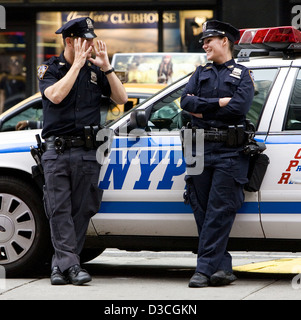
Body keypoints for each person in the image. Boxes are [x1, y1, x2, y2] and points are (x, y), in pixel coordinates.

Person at [37, 17, 127, 285]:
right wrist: (75, 65)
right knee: (59, 210)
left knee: (82, 210)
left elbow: (121, 99)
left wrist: (107, 67)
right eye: (85, 41)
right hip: (57, 152)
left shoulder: (95, 71)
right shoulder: (50, 68)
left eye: (91, 40)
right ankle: (73, 268)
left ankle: (60, 267)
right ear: (69, 41)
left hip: (88, 152)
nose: (90, 46)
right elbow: (54, 96)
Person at [180, 20, 254, 288]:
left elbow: (238, 108)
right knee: (202, 209)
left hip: (230, 152)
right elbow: (185, 102)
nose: (204, 45)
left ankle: (202, 270)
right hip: (200, 150)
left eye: (208, 40)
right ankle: (221, 267)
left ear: (225, 41)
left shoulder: (242, 74)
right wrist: (218, 102)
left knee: (219, 210)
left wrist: (204, 109)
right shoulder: (200, 72)